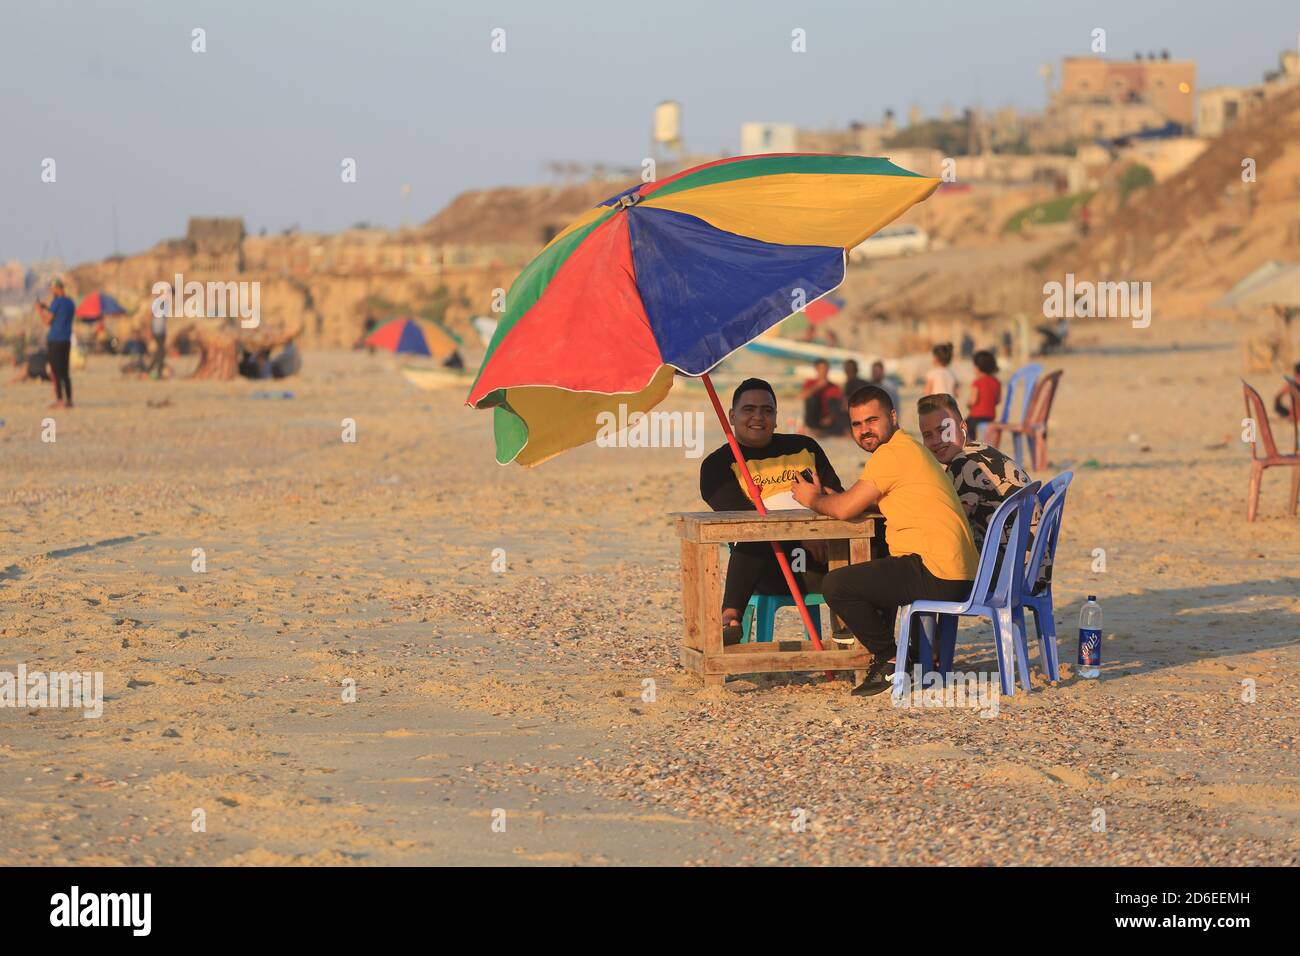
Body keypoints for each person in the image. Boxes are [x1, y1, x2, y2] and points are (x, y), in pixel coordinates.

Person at [792, 385, 977, 695]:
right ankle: (904, 654)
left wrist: (812, 499)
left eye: (872, 420)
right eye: (857, 424)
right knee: (877, 567)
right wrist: (838, 498)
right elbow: (873, 498)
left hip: (937, 572)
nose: (865, 430)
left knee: (837, 586)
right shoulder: (910, 448)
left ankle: (890, 659)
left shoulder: (891, 454)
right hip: (960, 571)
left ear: (892, 416)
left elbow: (844, 509)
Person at [700, 378, 844, 646]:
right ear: (732, 416)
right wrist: (803, 529)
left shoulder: (805, 447)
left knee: (855, 539)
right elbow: (746, 519)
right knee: (755, 534)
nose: (758, 417)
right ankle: (730, 615)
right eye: (749, 409)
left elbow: (835, 496)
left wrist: (815, 531)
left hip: (819, 560)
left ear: (776, 418)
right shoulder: (716, 466)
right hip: (764, 566)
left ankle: (846, 622)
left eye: (767, 410)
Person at [34, 279, 75, 408]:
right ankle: (69, 400)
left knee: (56, 372)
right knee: (65, 372)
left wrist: (39, 310)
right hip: (66, 341)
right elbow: (60, 315)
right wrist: (47, 307)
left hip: (55, 340)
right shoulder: (70, 302)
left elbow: (47, 321)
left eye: (52, 289)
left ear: (57, 288)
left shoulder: (56, 302)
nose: (51, 292)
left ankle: (59, 400)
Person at [801, 358, 844, 435]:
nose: (824, 371)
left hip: (828, 419)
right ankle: (813, 428)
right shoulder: (810, 383)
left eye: (826, 369)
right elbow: (803, 396)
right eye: (821, 368)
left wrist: (830, 417)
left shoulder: (834, 387)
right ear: (816, 369)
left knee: (835, 402)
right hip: (814, 419)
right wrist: (818, 386)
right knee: (812, 399)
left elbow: (839, 406)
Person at [966, 350, 1002, 440]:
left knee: (964, 425)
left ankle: (971, 443)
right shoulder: (996, 382)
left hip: (976, 417)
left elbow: (973, 400)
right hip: (990, 417)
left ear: (978, 367)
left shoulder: (977, 382)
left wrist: (968, 404)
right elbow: (998, 400)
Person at [147, 299, 168, 379]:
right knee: (161, 352)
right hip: (158, 332)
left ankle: (152, 369)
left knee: (160, 352)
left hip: (160, 332)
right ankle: (156, 370)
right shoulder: (160, 310)